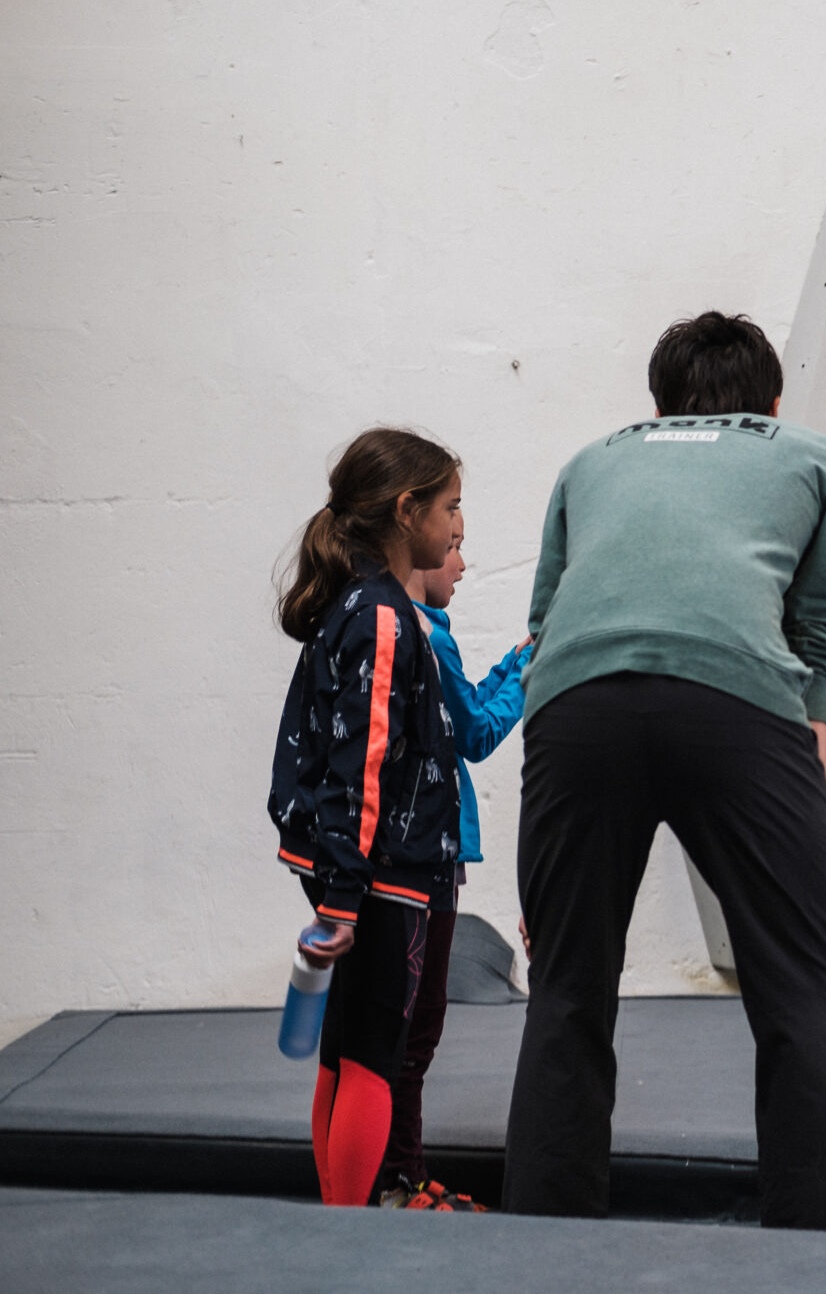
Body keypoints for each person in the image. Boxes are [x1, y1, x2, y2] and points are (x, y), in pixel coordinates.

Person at [505, 311, 826, 1229]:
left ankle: (537, 1253)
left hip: (574, 709)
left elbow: (544, 626)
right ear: (775, 401)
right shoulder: (823, 459)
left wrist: (554, 876)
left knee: (564, 985)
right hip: (737, 702)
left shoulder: (592, 461)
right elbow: (816, 645)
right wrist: (815, 862)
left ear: (658, 404)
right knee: (805, 982)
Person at [268, 427, 465, 1206]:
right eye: (450, 508)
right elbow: (365, 761)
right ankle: (347, 1233)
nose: (456, 528)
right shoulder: (381, 615)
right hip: (376, 872)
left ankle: (333, 1213)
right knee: (372, 1059)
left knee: (340, 1052)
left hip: (348, 865)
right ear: (407, 510)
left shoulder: (345, 600)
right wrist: (347, 897)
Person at [379, 511, 531, 1211]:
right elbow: (475, 730)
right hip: (422, 851)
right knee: (414, 1026)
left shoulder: (413, 626)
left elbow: (467, 710)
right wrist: (532, 666)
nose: (464, 564)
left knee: (406, 1026)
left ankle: (399, 1174)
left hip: (412, 848)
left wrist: (518, 658)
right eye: (458, 544)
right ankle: (397, 1180)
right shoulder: (422, 635)